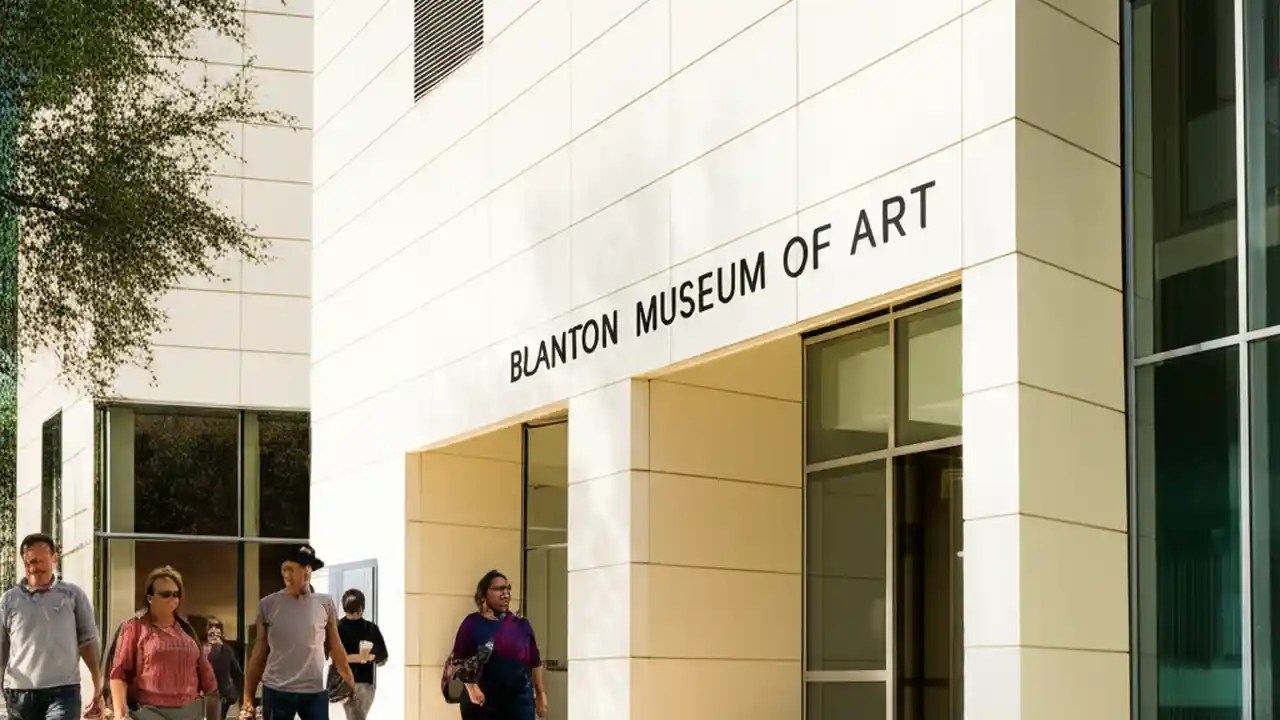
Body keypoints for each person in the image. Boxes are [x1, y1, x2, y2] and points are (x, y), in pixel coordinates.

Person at [240, 545, 355, 720]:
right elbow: (259, 652)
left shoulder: (325, 603)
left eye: (291, 570)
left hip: (314, 692)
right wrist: (248, 697)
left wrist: (350, 681)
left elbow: (336, 646)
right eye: (283, 570)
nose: (286, 575)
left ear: (307, 572)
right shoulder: (268, 605)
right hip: (277, 691)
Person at [0, 533, 103, 719]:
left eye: (40, 561)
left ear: (54, 558)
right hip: (20, 693)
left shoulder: (72, 595)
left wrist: (97, 682)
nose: (34, 568)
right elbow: (2, 647)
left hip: (63, 691)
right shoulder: (9, 600)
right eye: (29, 562)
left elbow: (88, 640)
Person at [106, 566, 217, 720]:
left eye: (176, 594)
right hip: (149, 711)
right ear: (150, 597)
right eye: (166, 594)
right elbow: (118, 674)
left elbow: (208, 681)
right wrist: (120, 714)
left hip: (191, 711)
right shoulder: (135, 628)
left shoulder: (189, 630)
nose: (173, 599)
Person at [449, 570, 547, 720]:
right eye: (499, 589)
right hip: (483, 705)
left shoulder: (521, 625)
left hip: (519, 705)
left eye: (508, 589)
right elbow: (458, 661)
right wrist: (472, 688)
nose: (506, 594)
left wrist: (540, 693)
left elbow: (535, 662)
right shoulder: (472, 624)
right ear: (483, 594)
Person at [335, 589, 387, 720]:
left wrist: (357, 657)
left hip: (346, 682)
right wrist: (366, 657)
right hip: (358, 683)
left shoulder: (337, 628)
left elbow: (334, 655)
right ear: (362, 607)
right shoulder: (370, 628)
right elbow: (382, 656)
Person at [202, 618, 241, 720]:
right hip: (203, 696)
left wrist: (233, 693)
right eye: (211, 627)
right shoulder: (199, 648)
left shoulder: (227, 649)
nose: (214, 630)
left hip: (223, 695)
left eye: (217, 627)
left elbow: (236, 672)